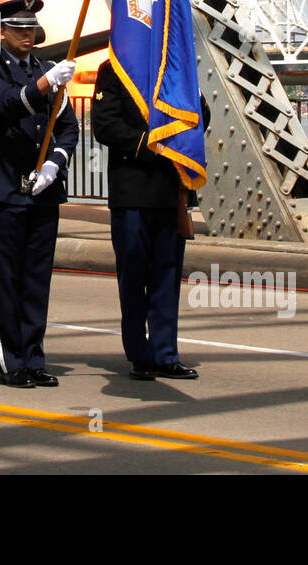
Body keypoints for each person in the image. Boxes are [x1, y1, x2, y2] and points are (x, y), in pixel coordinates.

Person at [0, 0, 78, 389]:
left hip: (42, 190)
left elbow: (68, 129)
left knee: (36, 278)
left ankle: (34, 357)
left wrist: (54, 165)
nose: (28, 35)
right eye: (19, 29)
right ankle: (11, 360)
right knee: (8, 278)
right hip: (2, 185)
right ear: (2, 31)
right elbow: (4, 106)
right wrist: (47, 83)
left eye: (32, 28)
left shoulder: (46, 69)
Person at [91, 61, 208, 381]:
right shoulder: (114, 68)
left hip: (171, 190)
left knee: (166, 277)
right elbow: (105, 124)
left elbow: (202, 118)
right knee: (133, 274)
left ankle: (165, 353)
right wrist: (154, 145)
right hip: (133, 189)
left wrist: (193, 95)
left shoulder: (177, 67)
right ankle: (140, 354)